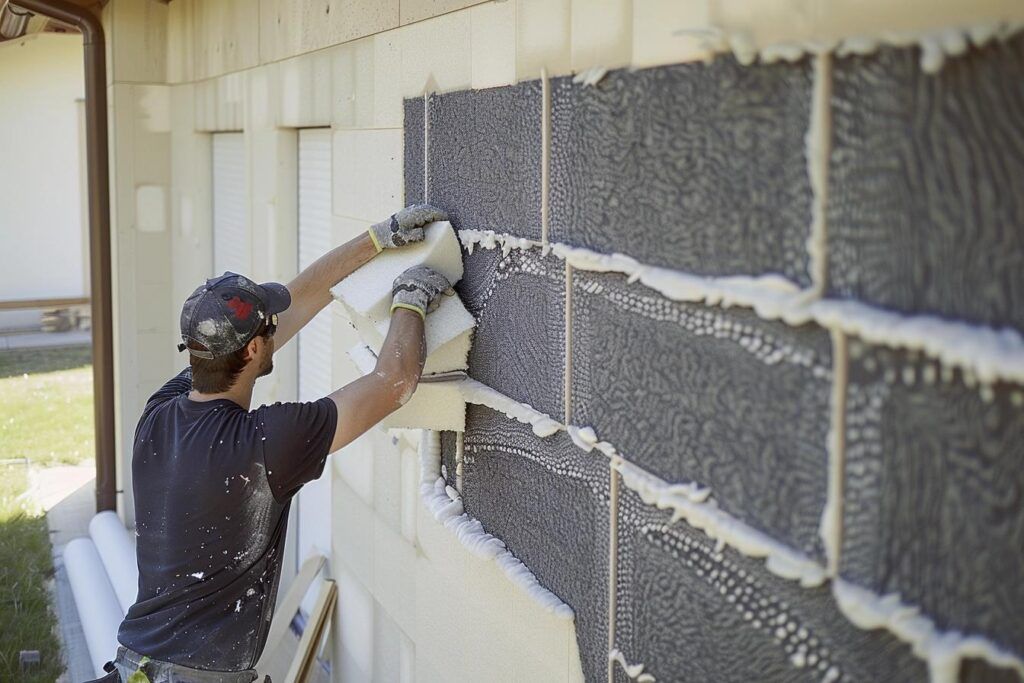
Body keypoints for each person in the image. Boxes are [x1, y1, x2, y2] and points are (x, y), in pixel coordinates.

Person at [87, 205, 452, 682]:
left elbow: (295, 304)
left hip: (135, 666)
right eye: (267, 330)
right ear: (256, 349)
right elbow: (393, 382)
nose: (277, 328)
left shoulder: (157, 415)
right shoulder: (266, 443)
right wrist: (411, 300)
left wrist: (377, 239)